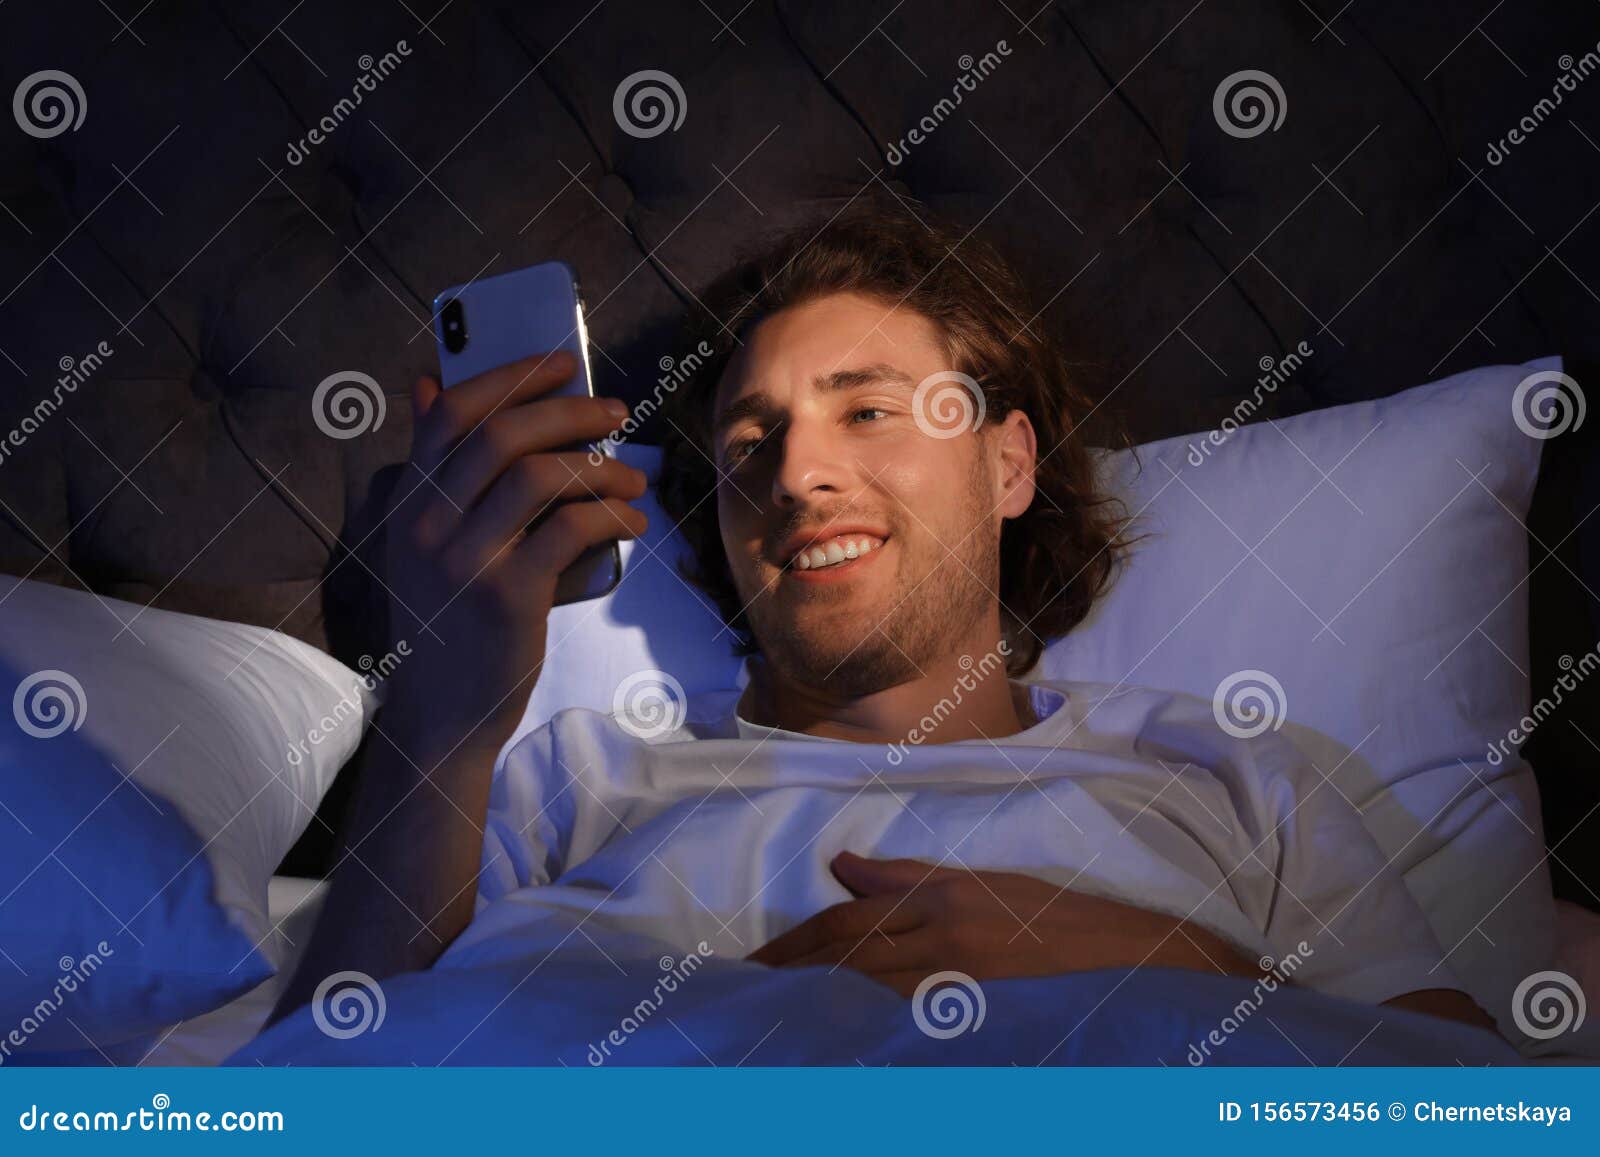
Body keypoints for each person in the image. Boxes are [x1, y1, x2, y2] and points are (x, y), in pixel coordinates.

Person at [272, 200, 1495, 1037]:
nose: (797, 471)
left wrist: (1177, 965)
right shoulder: (567, 778)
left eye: (866, 411)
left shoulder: (1233, 773)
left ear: (1007, 465)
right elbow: (324, 1080)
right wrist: (440, 716)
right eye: (752, 441)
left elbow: (1478, 1109)